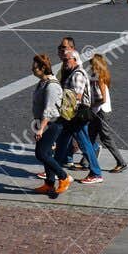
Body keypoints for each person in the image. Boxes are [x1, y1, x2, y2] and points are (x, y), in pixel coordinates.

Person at [53, 41, 103, 183]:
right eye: (63, 60)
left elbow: (77, 96)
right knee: (62, 142)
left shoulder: (77, 75)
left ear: (75, 59)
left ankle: (96, 173)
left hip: (75, 115)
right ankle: (54, 169)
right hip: (70, 114)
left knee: (85, 144)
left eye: (67, 59)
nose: (64, 62)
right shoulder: (71, 72)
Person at [29, 55, 68, 198]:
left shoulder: (51, 86)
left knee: (41, 153)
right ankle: (49, 184)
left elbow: (50, 109)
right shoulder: (42, 83)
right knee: (47, 153)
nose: (32, 69)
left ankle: (63, 177)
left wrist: (41, 128)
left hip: (52, 124)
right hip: (43, 123)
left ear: (43, 68)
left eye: (34, 68)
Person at [86, 53, 128, 172]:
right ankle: (85, 162)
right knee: (90, 136)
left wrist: (91, 105)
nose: (90, 67)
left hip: (102, 112)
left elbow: (103, 99)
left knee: (106, 138)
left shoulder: (99, 77)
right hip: (97, 111)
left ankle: (121, 162)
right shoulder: (96, 76)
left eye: (92, 65)